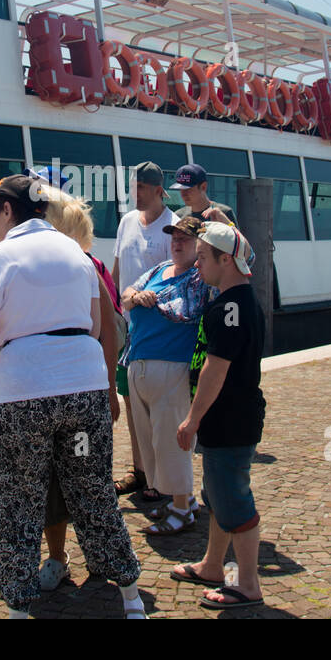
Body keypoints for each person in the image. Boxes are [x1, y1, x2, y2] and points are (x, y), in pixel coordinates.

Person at [0, 174, 145, 618]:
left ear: (8, 210)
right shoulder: (78, 255)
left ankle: (19, 607)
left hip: (25, 394)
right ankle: (131, 598)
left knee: (19, 500)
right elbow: (97, 328)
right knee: (93, 491)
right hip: (84, 390)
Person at [173, 222, 266, 609]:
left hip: (229, 420)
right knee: (217, 496)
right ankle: (214, 564)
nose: (197, 265)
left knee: (234, 502)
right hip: (226, 420)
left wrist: (192, 419)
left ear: (226, 260)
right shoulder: (235, 300)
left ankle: (247, 586)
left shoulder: (230, 305)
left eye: (203, 257)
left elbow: (217, 367)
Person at [36, 186, 123, 591]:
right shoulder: (36, 267)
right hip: (43, 395)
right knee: (52, 481)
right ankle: (57, 557)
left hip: (81, 394)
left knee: (87, 479)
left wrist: (108, 390)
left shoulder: (87, 267)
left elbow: (110, 335)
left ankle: (97, 555)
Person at [120, 215, 213, 533]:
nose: (176, 242)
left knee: (172, 442)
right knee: (152, 444)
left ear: (199, 245)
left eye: (185, 238)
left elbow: (246, 257)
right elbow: (127, 294)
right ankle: (178, 499)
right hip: (139, 365)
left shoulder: (201, 277)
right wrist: (135, 298)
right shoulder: (159, 270)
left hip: (173, 367)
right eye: (174, 237)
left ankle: (183, 508)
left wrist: (220, 222)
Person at [110, 160, 175, 497]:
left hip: (158, 331)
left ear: (159, 191)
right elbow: (119, 266)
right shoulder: (127, 221)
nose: (135, 194)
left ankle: (161, 478)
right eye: (133, 187)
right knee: (131, 401)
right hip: (128, 327)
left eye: (142, 189)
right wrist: (114, 309)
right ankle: (140, 470)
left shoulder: (172, 227)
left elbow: (178, 278)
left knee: (158, 407)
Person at [171, 163, 237, 224]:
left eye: (188, 189)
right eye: (181, 189)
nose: (183, 194)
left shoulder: (222, 213)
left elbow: (236, 236)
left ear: (203, 187)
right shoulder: (178, 216)